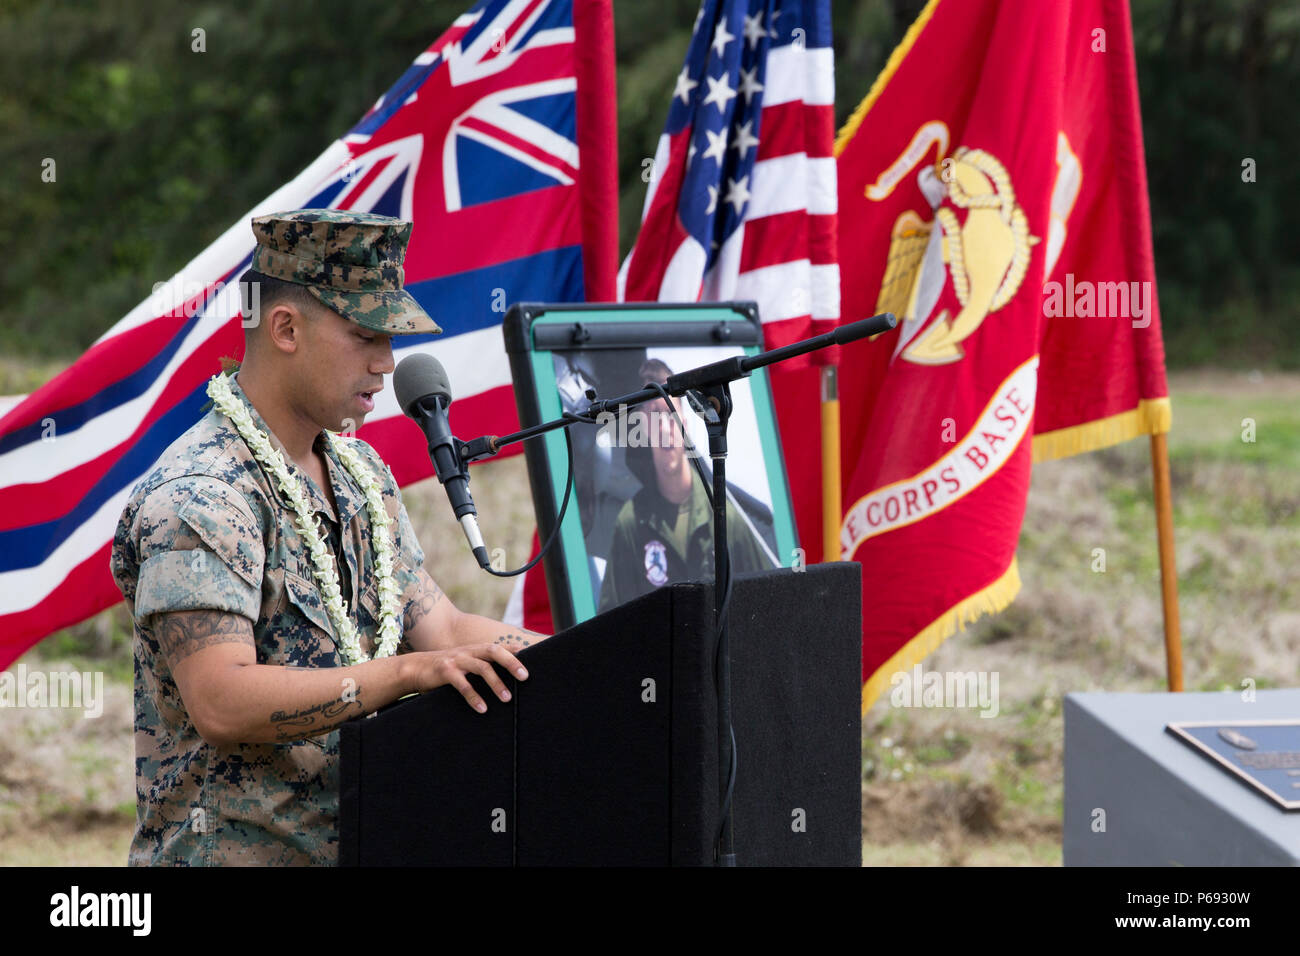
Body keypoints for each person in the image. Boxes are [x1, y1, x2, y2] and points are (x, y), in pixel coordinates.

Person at [110, 209, 543, 866]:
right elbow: (222, 700)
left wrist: (626, 652)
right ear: (285, 328)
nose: (386, 364)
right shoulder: (202, 495)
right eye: (366, 336)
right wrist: (402, 675)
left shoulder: (358, 472)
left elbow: (445, 633)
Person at [597, 358, 776, 611]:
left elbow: (770, 600)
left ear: (685, 421)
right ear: (642, 426)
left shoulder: (725, 514)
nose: (664, 427)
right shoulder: (631, 523)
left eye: (670, 414)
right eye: (654, 415)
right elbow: (609, 620)